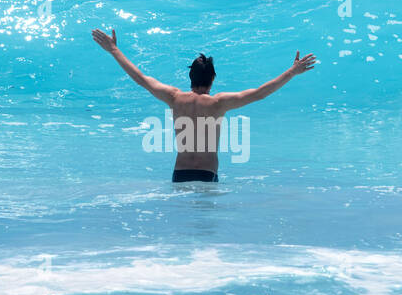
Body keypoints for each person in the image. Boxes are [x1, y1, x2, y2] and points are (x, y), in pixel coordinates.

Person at [91, 28, 316, 182]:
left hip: (180, 174)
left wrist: (114, 50)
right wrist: (292, 72)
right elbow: (259, 93)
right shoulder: (218, 103)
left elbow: (140, 78)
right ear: (213, 79)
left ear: (191, 78)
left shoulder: (174, 98)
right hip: (207, 175)